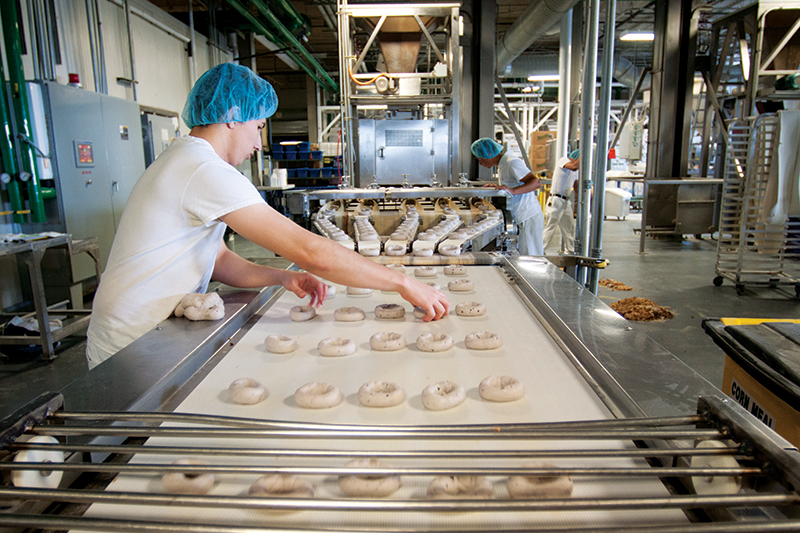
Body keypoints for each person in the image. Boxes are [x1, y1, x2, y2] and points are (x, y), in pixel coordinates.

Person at [86, 63, 450, 369]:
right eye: (258, 127)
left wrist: (281, 278)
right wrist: (404, 283)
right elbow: (311, 252)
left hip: (147, 333)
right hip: (132, 345)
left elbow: (215, 259)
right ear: (232, 116)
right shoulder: (202, 169)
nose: (260, 143)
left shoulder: (187, 160)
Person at [471, 137, 544, 255]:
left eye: (480, 159)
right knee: (522, 256)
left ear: (489, 155)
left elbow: (536, 182)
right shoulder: (502, 165)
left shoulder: (511, 162)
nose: (480, 163)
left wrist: (512, 191)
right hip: (519, 216)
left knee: (532, 256)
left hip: (528, 215)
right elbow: (512, 183)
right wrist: (498, 187)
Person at [542, 149, 580, 255]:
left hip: (566, 201)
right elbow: (574, 166)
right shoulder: (563, 161)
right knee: (550, 227)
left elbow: (576, 186)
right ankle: (540, 250)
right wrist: (584, 153)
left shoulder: (576, 171)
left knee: (569, 228)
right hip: (556, 200)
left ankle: (570, 251)